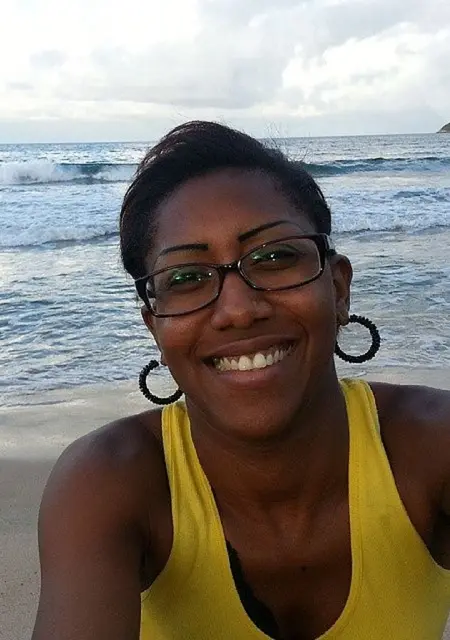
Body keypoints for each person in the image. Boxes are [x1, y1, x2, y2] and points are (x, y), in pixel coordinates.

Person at [32, 121, 450, 640]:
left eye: (275, 257)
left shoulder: (432, 447)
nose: (237, 310)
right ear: (154, 326)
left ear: (338, 289)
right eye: (185, 277)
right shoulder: (109, 482)